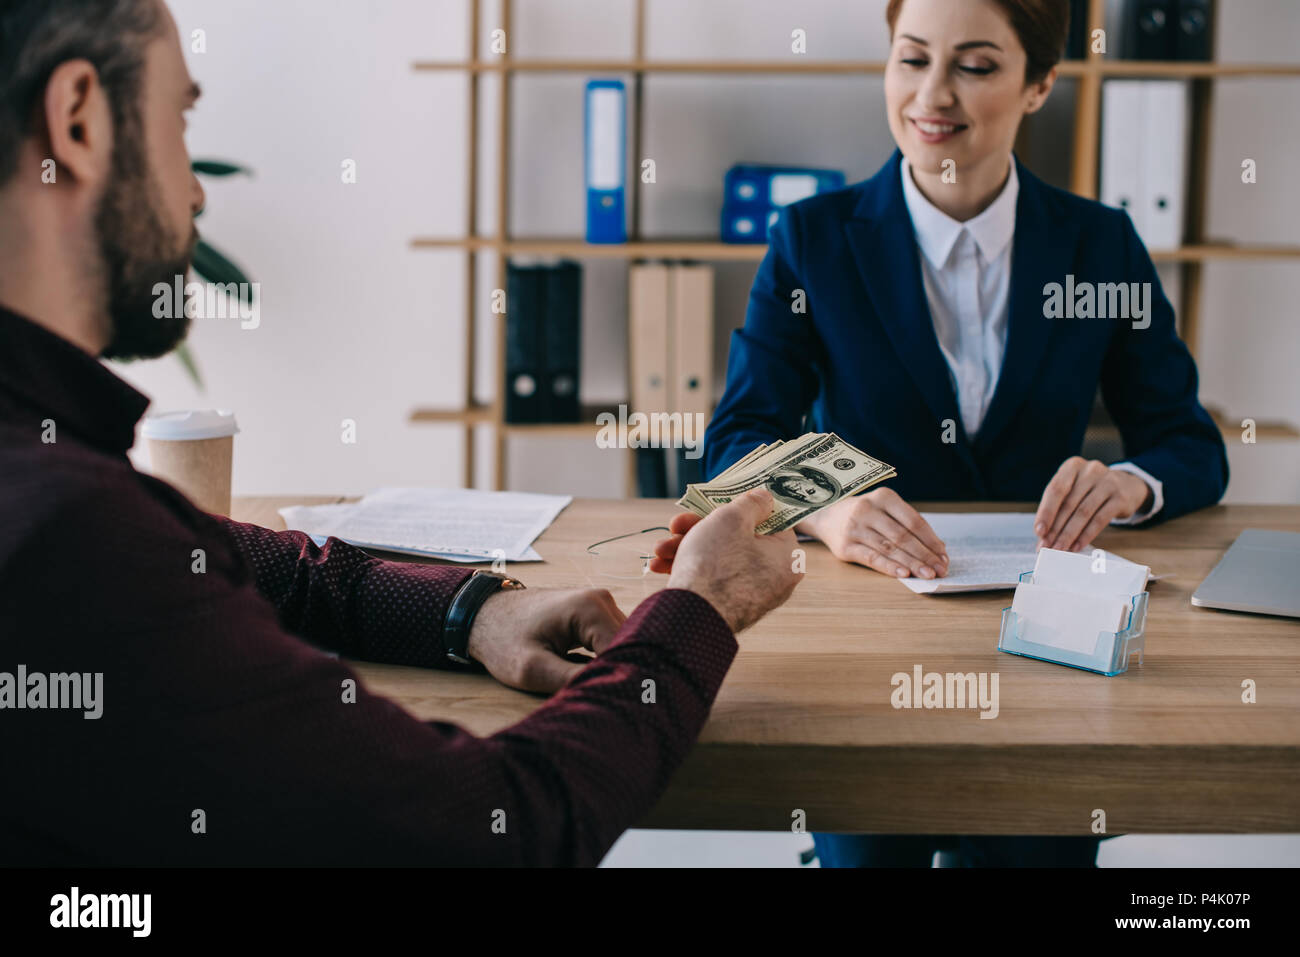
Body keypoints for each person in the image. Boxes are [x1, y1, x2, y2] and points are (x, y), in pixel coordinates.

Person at [0, 0, 803, 866]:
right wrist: (697, 609)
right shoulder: (65, 530)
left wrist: (474, 612)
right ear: (78, 118)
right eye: (180, 119)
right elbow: (495, 829)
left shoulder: (48, 473)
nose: (195, 189)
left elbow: (235, 557)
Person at [703, 0, 1228, 866]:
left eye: (975, 66)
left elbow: (1190, 445)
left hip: (1049, 643)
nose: (931, 95)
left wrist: (1129, 479)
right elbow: (734, 444)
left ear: (1040, 85)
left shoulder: (1100, 246)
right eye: (912, 59)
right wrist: (829, 505)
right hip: (870, 645)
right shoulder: (813, 238)